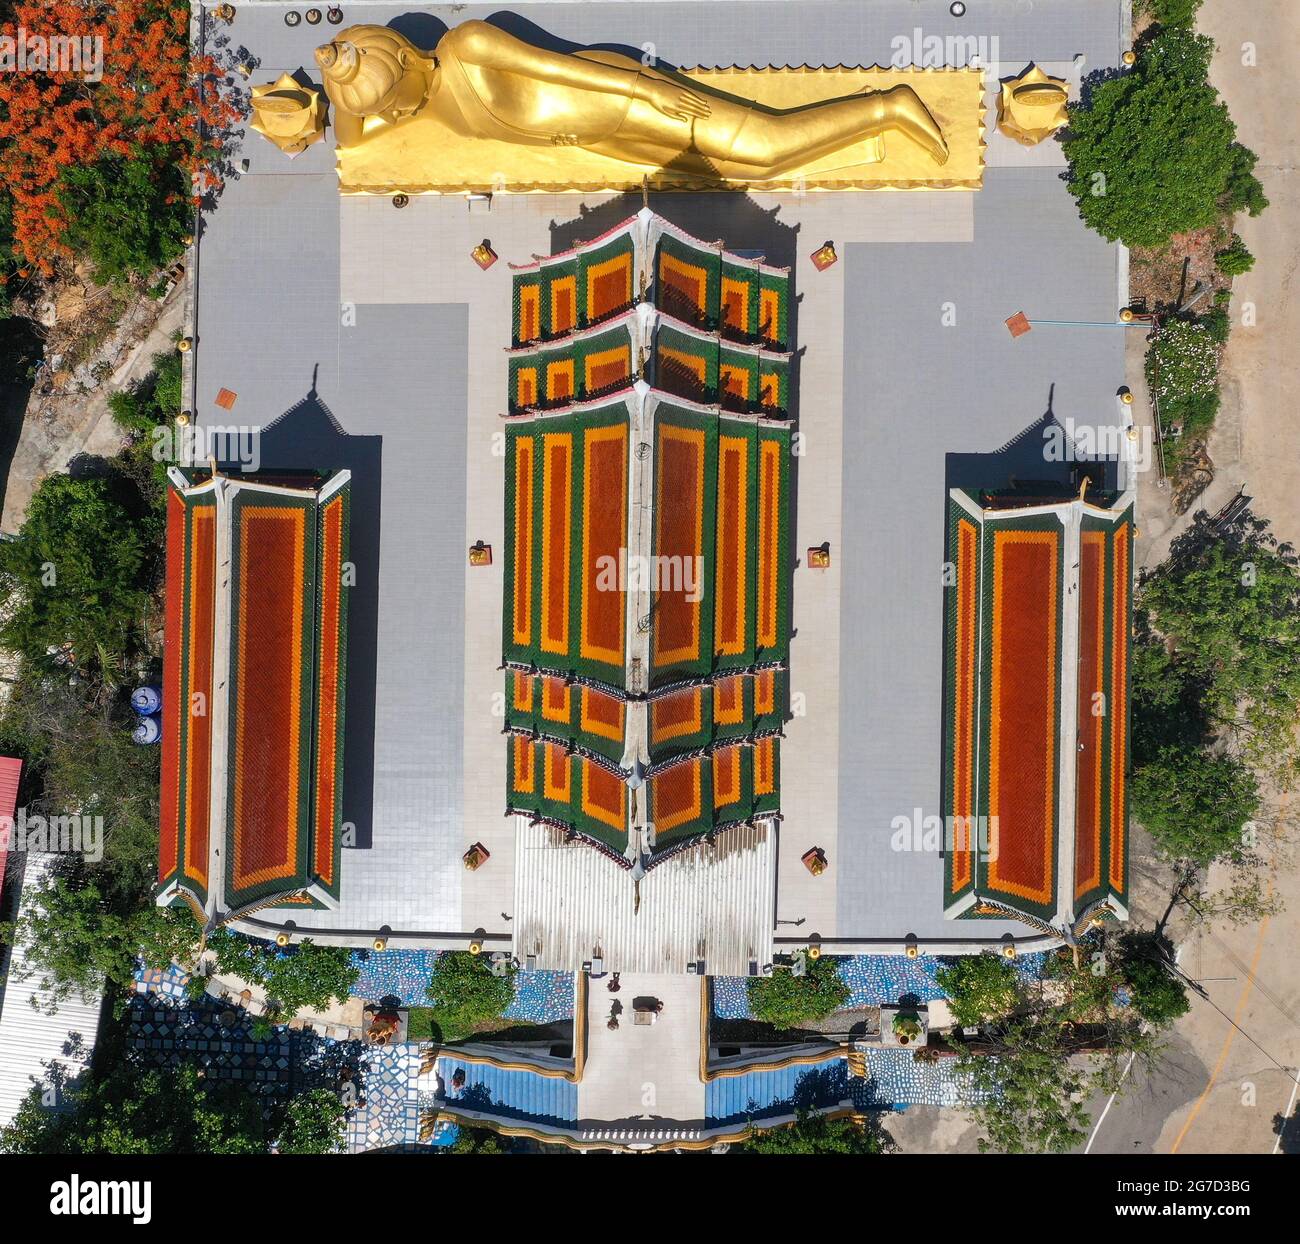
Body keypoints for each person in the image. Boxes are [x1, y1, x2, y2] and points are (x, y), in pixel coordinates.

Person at [316, 20, 949, 177]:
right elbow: (349, 141)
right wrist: (342, 70)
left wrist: (647, 88)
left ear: (406, 56)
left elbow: (558, 69)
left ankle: (887, 106)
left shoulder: (466, 43)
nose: (399, 116)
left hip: (622, 98)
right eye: (391, 112)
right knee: (735, 172)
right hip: (600, 138)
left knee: (763, 144)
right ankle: (863, 130)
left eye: (396, 99)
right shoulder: (424, 101)